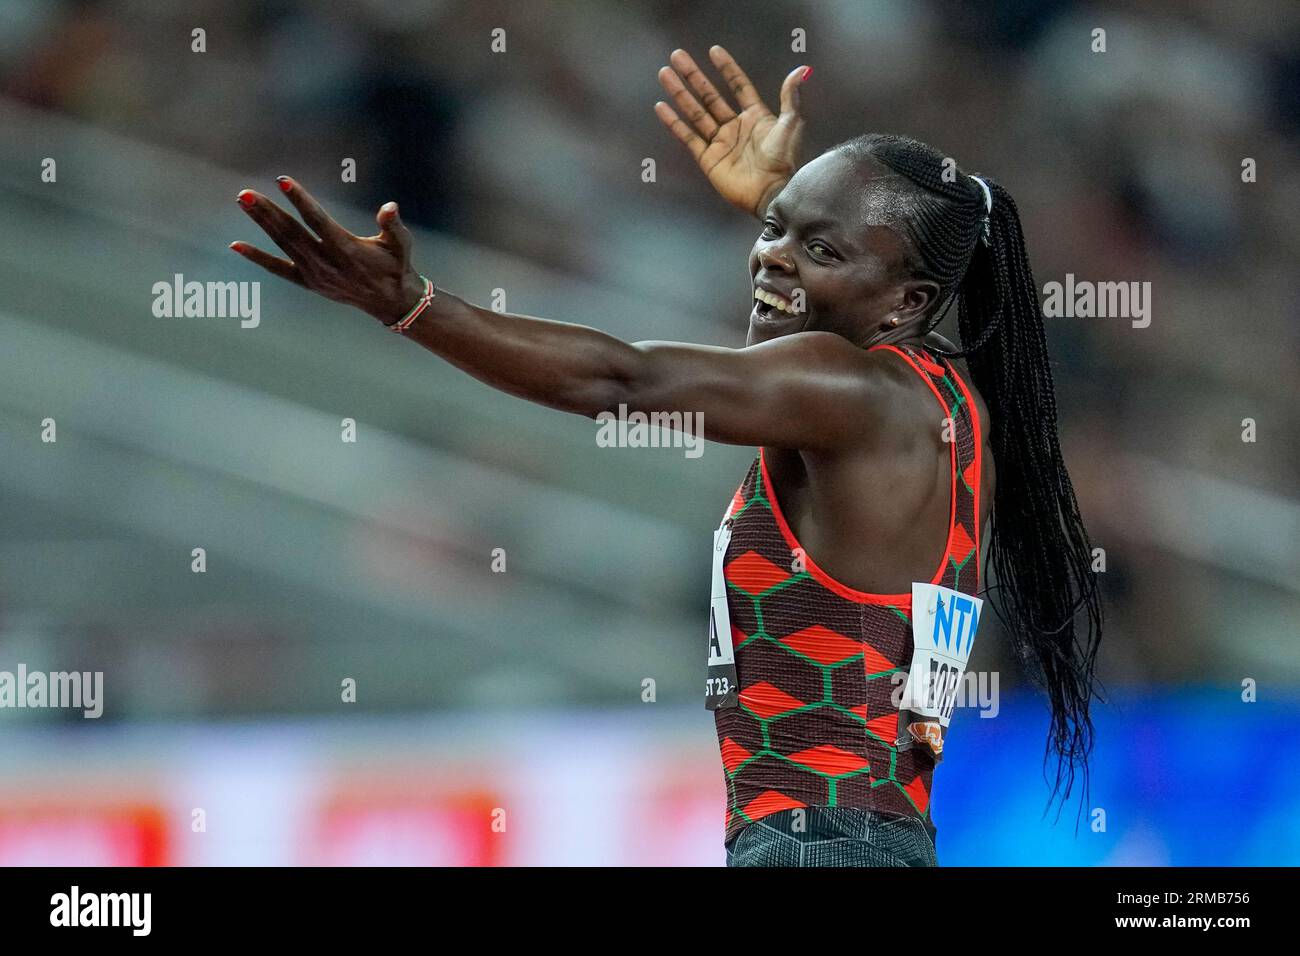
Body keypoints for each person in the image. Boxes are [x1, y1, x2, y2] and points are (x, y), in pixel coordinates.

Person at [230, 45, 1102, 867]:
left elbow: (623, 379)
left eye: (819, 248)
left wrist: (412, 305)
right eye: (775, 227)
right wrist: (798, 217)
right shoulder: (947, 398)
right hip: (880, 840)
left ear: (907, 299)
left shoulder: (851, 390)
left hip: (809, 844)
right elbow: (837, 283)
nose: (770, 257)